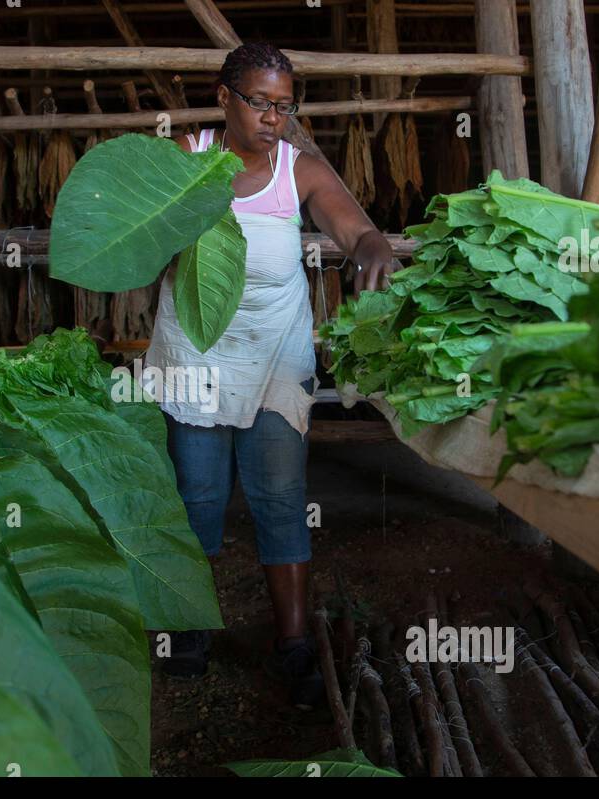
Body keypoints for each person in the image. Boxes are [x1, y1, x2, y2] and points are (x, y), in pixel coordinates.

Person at [146, 42, 394, 708]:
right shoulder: (184, 161)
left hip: (276, 358)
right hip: (196, 357)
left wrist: (372, 249)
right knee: (196, 498)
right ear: (225, 96)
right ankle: (189, 628)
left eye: (284, 105)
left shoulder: (301, 170)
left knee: (281, 498)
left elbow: (356, 229)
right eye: (259, 101)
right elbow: (139, 235)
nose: (272, 117)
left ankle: (291, 641)